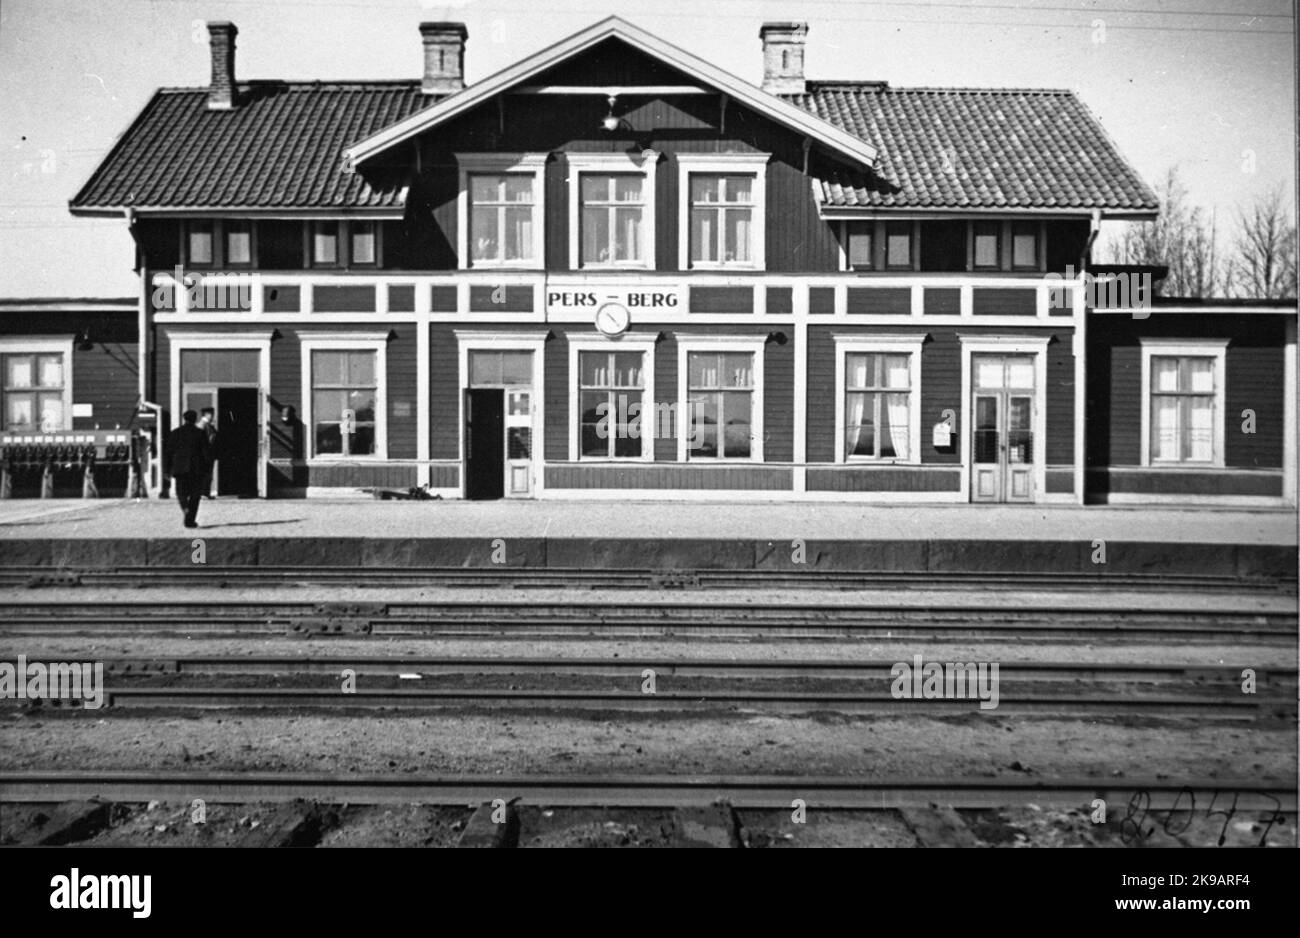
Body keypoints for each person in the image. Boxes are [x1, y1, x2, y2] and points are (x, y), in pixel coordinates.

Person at [167, 410, 213, 529]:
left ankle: (185, 508)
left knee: (180, 493)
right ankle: (190, 520)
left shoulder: (175, 433)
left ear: (184, 419)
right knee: (195, 494)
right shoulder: (200, 433)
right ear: (194, 419)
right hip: (196, 469)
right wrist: (207, 468)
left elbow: (169, 452)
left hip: (180, 468)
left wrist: (168, 469)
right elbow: (206, 452)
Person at [198, 407, 218, 498]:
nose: (213, 416)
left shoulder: (207, 425)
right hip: (205, 454)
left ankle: (205, 492)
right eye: (211, 414)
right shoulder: (203, 425)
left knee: (208, 474)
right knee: (205, 474)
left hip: (207, 453)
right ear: (207, 414)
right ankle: (203, 492)